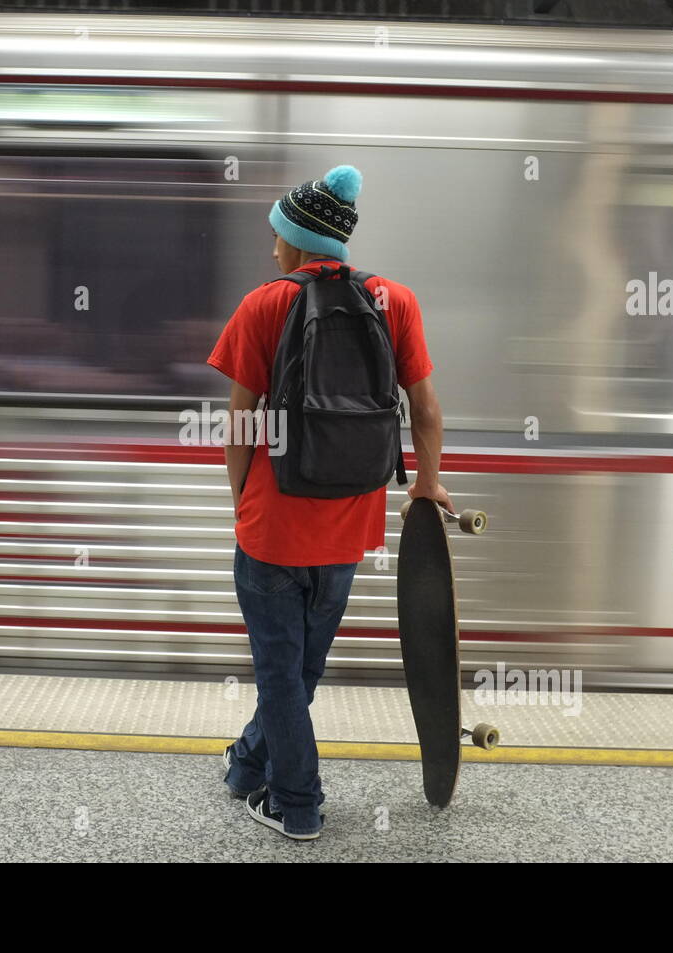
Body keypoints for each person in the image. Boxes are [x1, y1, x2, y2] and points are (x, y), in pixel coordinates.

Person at [206, 164, 453, 840]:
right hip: (349, 529)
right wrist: (427, 483)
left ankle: (297, 803)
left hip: (272, 528)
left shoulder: (263, 304)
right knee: (299, 670)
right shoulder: (394, 300)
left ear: (299, 239)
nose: (272, 249)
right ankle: (243, 766)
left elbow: (240, 426)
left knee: (281, 672)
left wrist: (243, 501)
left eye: (277, 236)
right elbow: (425, 408)